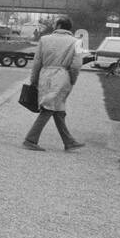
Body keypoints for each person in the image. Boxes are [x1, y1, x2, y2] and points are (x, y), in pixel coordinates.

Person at [23, 17, 84, 152]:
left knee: (57, 108)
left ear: (59, 25)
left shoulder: (44, 39)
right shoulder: (77, 43)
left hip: (45, 74)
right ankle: (30, 139)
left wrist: (34, 79)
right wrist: (72, 79)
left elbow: (37, 61)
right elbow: (76, 65)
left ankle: (69, 141)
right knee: (50, 107)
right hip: (63, 76)